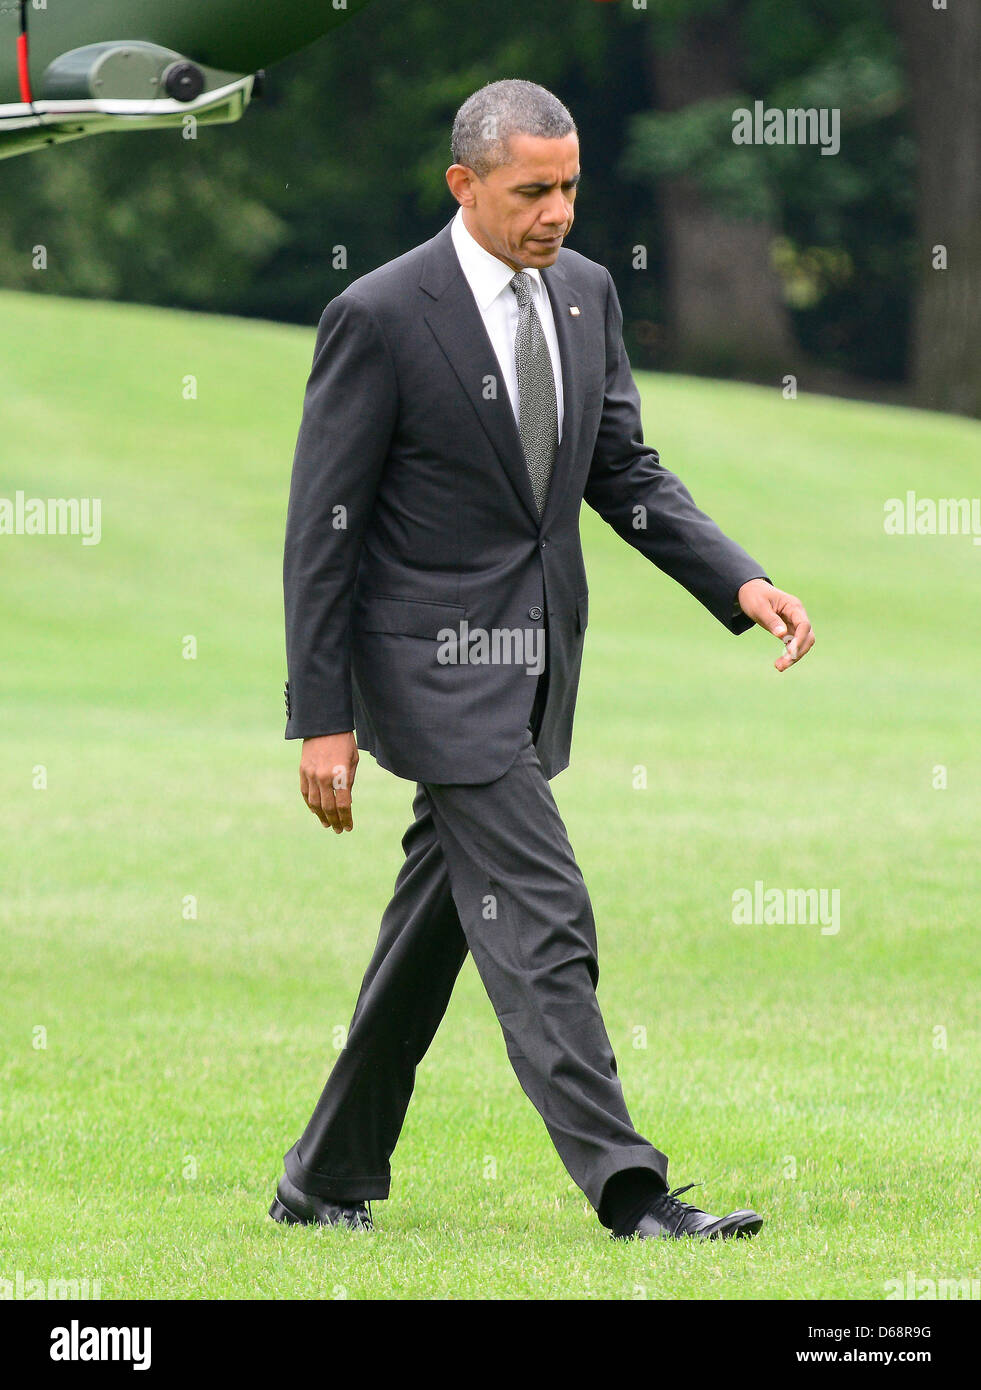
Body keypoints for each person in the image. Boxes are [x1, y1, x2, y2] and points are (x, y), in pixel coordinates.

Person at [272, 79, 814, 1243]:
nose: (558, 211)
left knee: (438, 925)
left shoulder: (586, 295)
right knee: (544, 909)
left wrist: (738, 578)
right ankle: (634, 1192)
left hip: (536, 667)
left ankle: (322, 1180)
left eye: (570, 185)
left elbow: (623, 471)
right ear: (465, 184)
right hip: (428, 670)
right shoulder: (378, 314)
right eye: (533, 190)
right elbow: (322, 532)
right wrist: (323, 716)